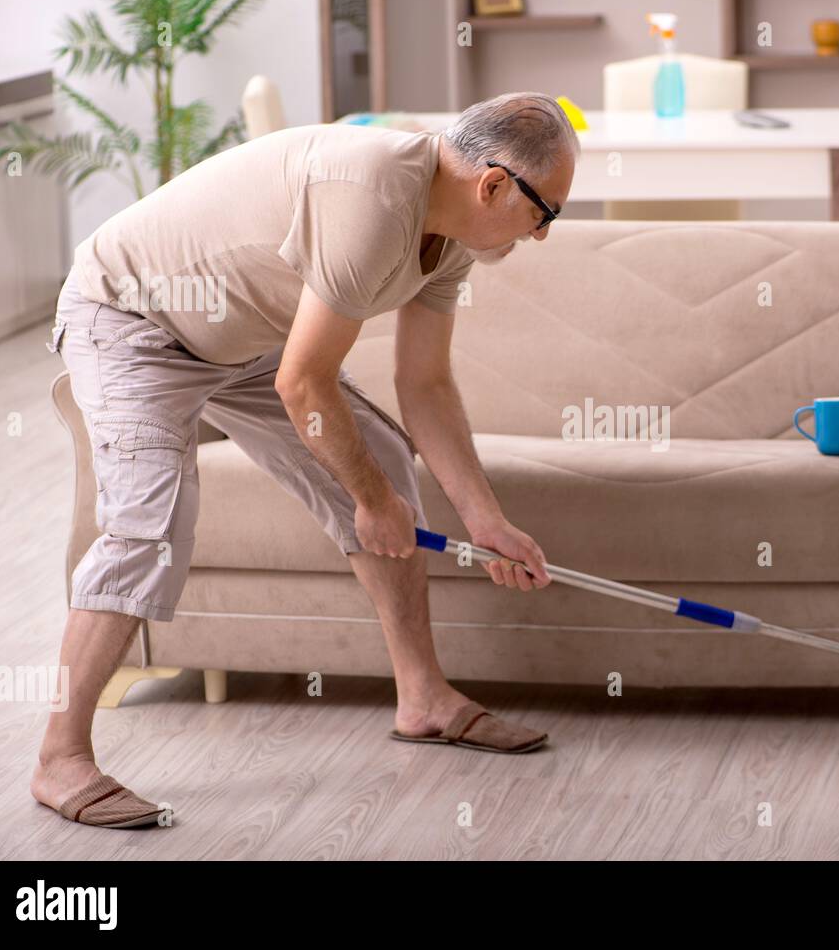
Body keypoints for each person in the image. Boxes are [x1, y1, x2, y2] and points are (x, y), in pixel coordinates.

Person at [33, 92, 578, 828]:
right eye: (545, 212)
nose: (542, 234)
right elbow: (303, 383)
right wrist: (372, 501)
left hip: (244, 337)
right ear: (493, 184)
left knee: (385, 454)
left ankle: (422, 698)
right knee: (149, 522)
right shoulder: (376, 195)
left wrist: (486, 519)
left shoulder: (449, 237)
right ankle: (59, 756)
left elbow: (426, 385)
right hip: (131, 319)